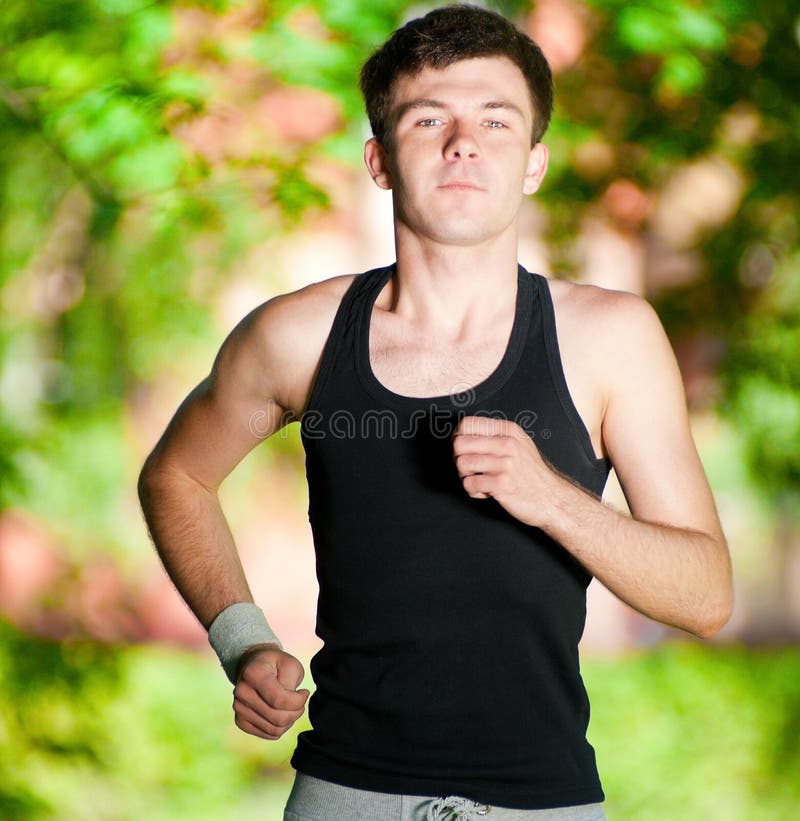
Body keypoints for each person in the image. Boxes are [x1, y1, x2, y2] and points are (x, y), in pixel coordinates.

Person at [138, 5, 733, 820]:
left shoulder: (611, 336)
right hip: (345, 793)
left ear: (533, 162)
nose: (465, 142)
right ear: (379, 161)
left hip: (544, 801)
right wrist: (242, 639)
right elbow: (176, 475)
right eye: (430, 119)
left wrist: (552, 496)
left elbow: (705, 594)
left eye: (497, 119)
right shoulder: (299, 335)